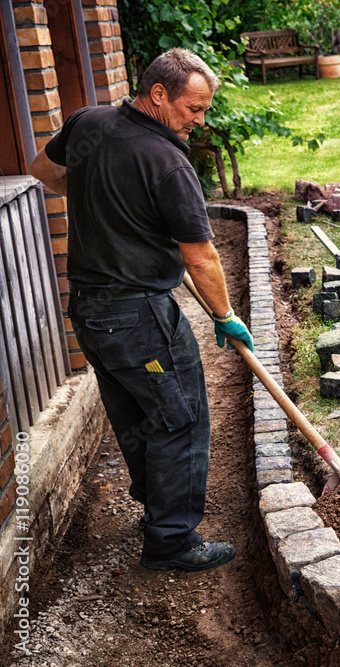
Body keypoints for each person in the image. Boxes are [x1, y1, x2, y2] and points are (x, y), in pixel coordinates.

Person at [30, 48, 254, 572]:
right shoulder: (168, 163)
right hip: (138, 319)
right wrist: (224, 315)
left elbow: (43, 169)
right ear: (159, 95)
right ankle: (172, 541)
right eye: (194, 109)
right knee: (180, 418)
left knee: (137, 412)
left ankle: (158, 510)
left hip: (89, 314)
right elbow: (201, 256)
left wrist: (100, 201)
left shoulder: (89, 122)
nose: (200, 121)